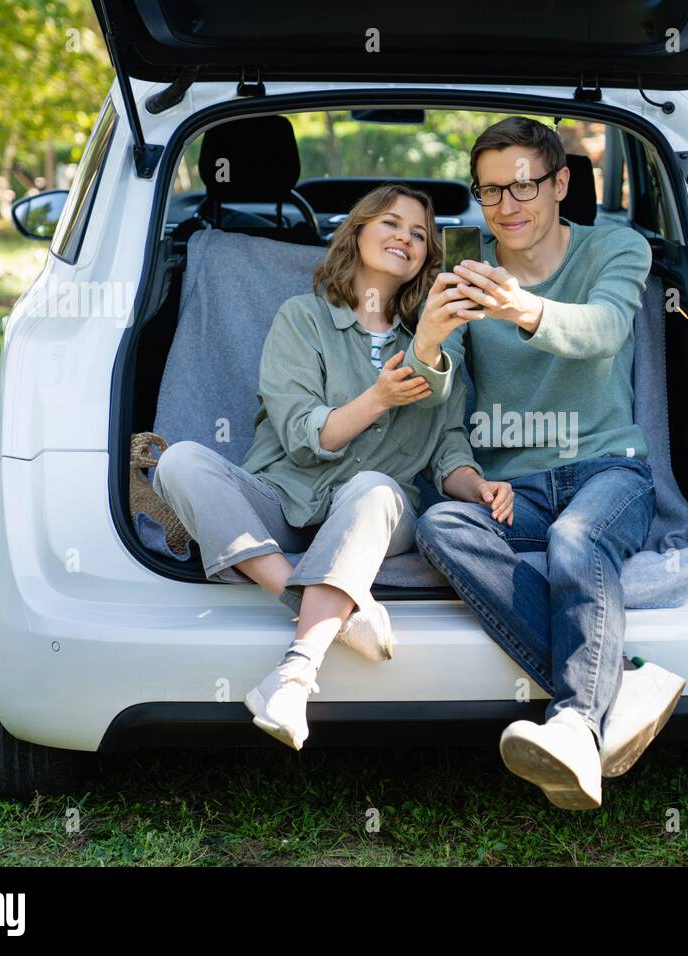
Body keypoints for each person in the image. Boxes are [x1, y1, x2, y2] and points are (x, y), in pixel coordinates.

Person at [152, 182, 513, 751]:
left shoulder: (443, 347)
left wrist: (478, 486)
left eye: (420, 234)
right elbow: (302, 437)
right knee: (179, 462)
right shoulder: (302, 318)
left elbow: (448, 452)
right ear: (359, 231)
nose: (406, 237)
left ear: (427, 259)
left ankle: (295, 674)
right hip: (281, 501)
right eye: (391, 223)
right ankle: (329, 609)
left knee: (374, 487)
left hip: (373, 518)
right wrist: (379, 398)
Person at [412, 117, 686, 810]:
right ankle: (624, 684)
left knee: (576, 539)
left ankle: (572, 720)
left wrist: (523, 309)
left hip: (609, 472)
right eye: (490, 191)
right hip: (516, 487)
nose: (507, 206)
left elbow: (603, 330)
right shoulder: (465, 275)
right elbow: (444, 415)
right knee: (442, 526)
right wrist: (432, 345)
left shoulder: (615, 248)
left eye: (524, 185)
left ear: (562, 183)